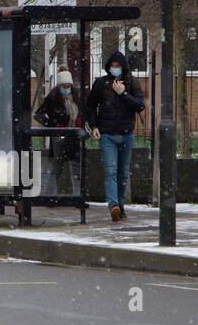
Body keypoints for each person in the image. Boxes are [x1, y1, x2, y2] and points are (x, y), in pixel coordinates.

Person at [84, 52, 143, 221]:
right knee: (111, 170)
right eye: (113, 66)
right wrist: (94, 126)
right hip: (107, 134)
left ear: (123, 67)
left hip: (126, 133)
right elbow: (91, 106)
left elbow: (139, 106)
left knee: (123, 172)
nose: (115, 69)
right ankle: (113, 205)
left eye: (118, 66)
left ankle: (121, 205)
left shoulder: (132, 82)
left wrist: (123, 93)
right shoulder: (101, 83)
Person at [34, 69, 82, 195]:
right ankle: (49, 195)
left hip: (74, 136)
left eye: (68, 86)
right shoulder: (52, 98)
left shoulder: (76, 97)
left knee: (76, 167)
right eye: (63, 86)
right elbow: (38, 114)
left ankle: (78, 196)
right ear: (59, 85)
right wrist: (53, 126)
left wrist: (80, 125)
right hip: (59, 137)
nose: (66, 88)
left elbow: (82, 114)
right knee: (56, 168)